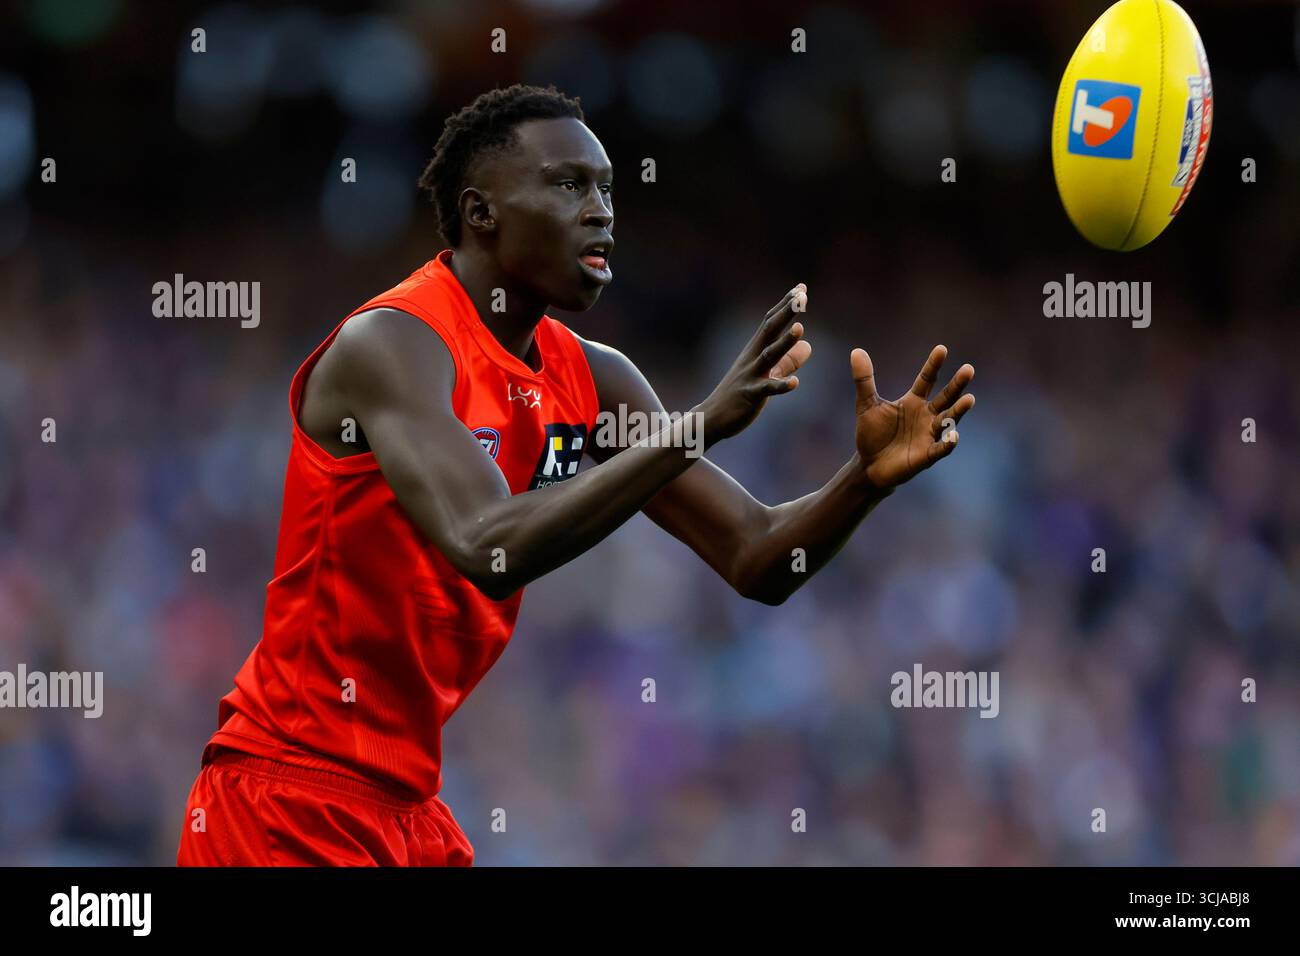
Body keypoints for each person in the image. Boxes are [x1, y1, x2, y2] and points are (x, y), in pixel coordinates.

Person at [176, 83, 975, 866]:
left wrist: (862, 480)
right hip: (286, 796)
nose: (600, 212)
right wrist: (697, 426)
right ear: (481, 212)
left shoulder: (594, 378)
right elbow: (487, 545)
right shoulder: (393, 343)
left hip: (405, 808)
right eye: (567, 185)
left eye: (606, 189)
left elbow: (757, 555)